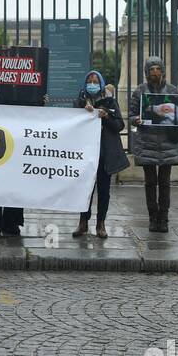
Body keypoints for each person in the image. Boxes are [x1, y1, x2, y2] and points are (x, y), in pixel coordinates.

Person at [128, 56, 178, 233]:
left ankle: (164, 218)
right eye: (151, 70)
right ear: (146, 72)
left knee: (165, 183)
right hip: (147, 143)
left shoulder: (173, 90)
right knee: (150, 183)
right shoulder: (139, 91)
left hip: (167, 143)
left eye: (158, 69)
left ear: (163, 71)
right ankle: (153, 218)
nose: (155, 73)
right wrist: (136, 119)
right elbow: (131, 115)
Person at [72, 70, 126, 239]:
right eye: (90, 81)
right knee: (85, 189)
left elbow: (120, 125)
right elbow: (71, 123)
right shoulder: (80, 101)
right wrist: (83, 112)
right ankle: (83, 222)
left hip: (104, 154)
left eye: (96, 81)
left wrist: (106, 116)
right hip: (86, 154)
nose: (93, 84)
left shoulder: (110, 101)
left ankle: (101, 224)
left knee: (104, 191)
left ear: (101, 84)